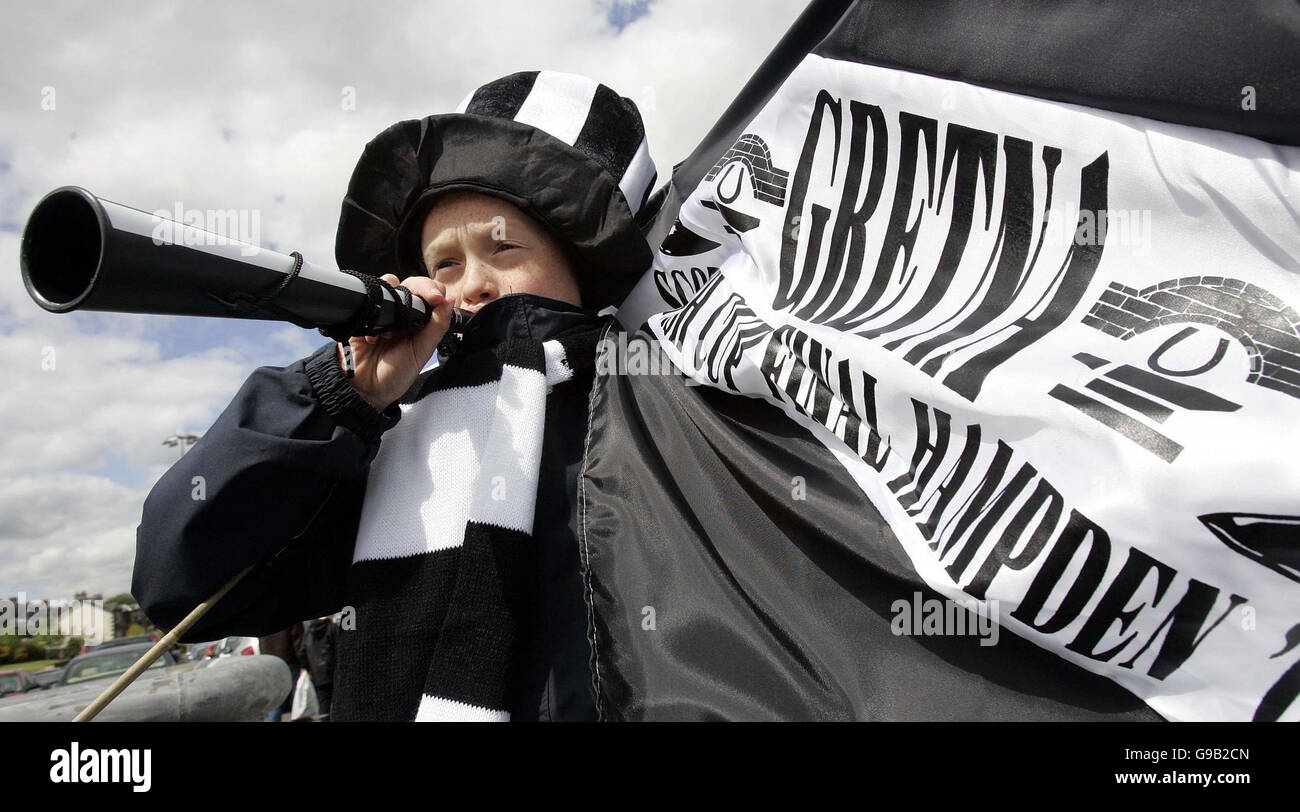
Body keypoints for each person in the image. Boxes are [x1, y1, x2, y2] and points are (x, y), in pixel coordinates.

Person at [132, 70, 658, 721]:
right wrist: (336, 400)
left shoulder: (667, 409)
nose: (472, 285)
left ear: (582, 263)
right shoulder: (384, 440)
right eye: (445, 263)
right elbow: (179, 584)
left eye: (505, 246)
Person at [259, 623, 306, 722]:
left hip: (271, 664)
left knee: (276, 704)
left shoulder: (262, 616)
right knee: (298, 703)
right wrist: (304, 663)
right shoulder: (287, 612)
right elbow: (298, 640)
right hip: (290, 663)